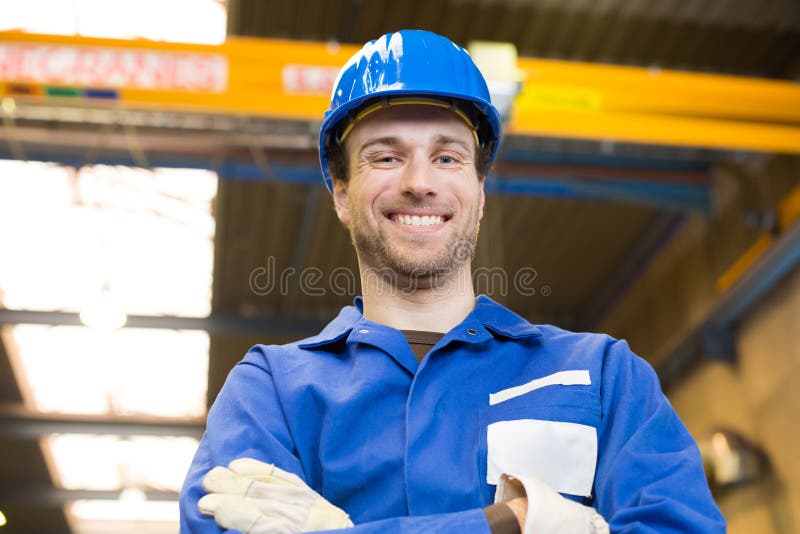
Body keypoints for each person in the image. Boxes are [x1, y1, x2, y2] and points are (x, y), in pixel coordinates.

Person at [179, 29, 726, 533]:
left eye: (447, 156)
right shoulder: (271, 390)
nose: (420, 182)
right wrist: (515, 521)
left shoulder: (603, 377)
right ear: (341, 195)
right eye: (386, 156)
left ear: (479, 192)